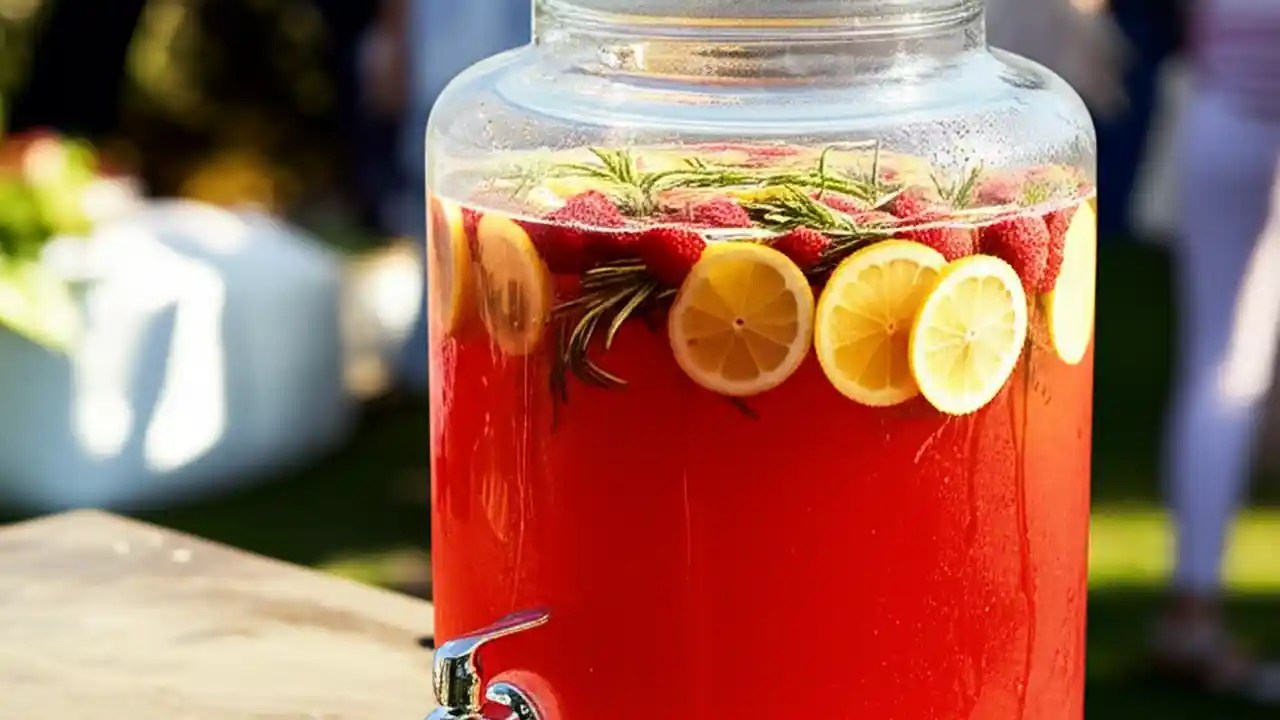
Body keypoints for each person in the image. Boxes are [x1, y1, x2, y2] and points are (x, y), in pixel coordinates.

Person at [1155, 0, 1280, 704]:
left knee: (1218, 367)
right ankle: (1192, 617)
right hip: (1236, 120)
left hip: (1219, 117)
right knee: (1225, 372)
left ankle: (1191, 611)